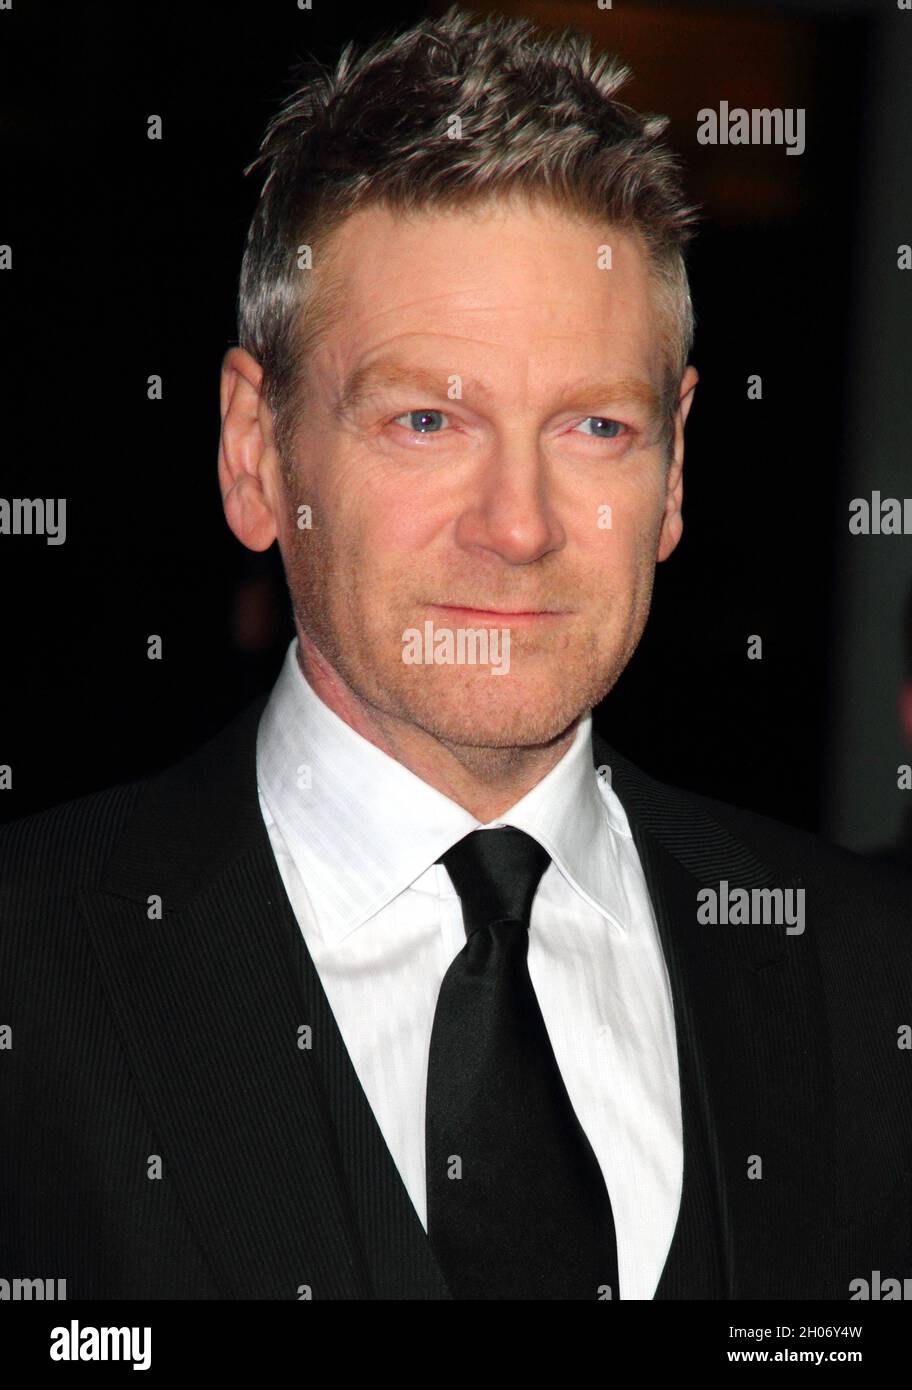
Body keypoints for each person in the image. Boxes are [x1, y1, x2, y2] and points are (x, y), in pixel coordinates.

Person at [2, 5, 910, 1301]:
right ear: (256, 449)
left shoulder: (868, 979)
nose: (520, 524)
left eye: (595, 425)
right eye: (427, 419)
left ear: (675, 469)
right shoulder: (33, 973)